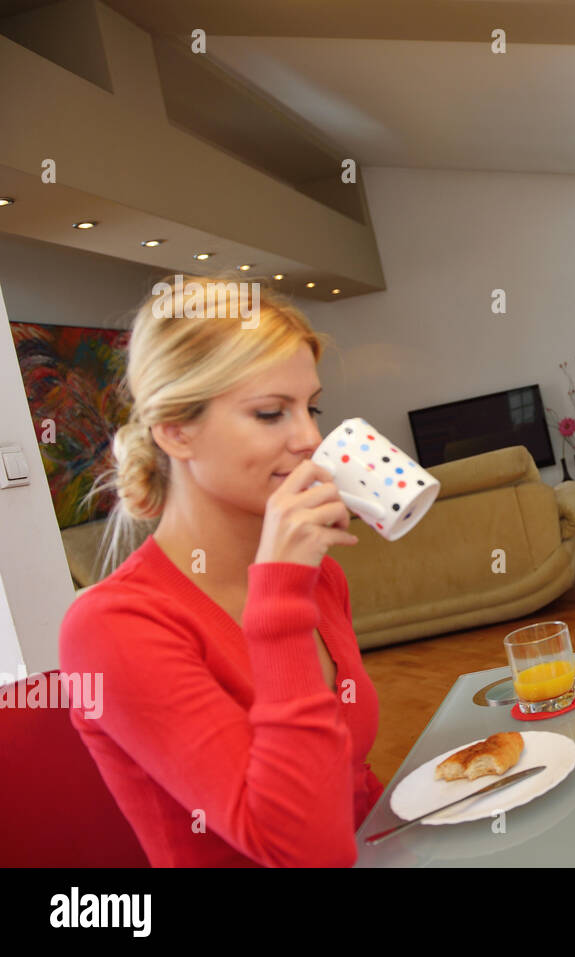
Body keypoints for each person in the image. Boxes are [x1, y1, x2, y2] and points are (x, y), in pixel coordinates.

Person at [60, 276, 382, 866]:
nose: (311, 439)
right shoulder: (113, 627)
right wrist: (279, 603)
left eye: (311, 408)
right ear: (177, 431)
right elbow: (303, 852)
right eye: (269, 413)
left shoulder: (318, 578)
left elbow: (351, 786)